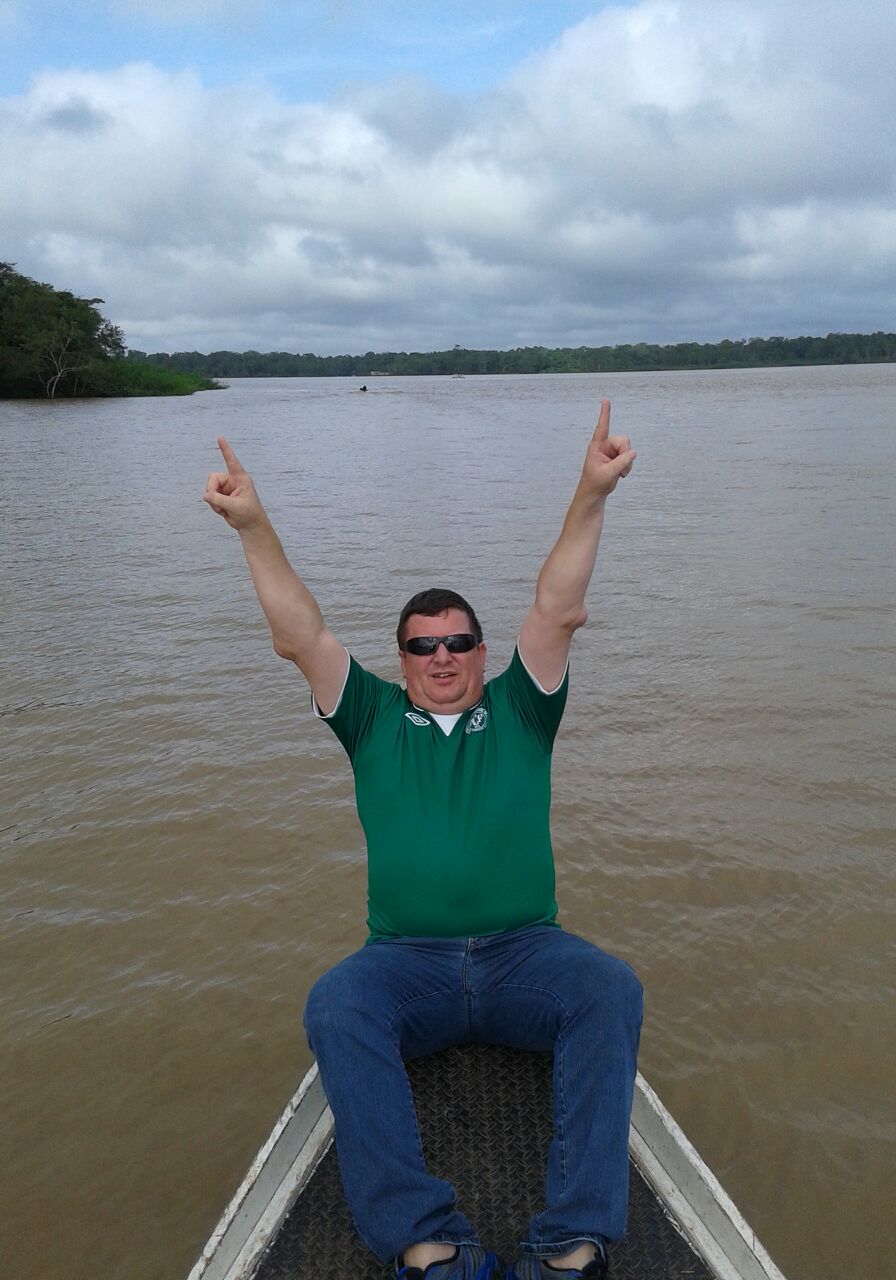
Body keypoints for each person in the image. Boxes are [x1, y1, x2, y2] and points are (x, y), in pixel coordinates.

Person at [203, 402, 644, 1280]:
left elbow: (557, 608)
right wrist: (252, 525)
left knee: (610, 990)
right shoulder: (368, 717)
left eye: (459, 643)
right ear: (399, 659)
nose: (442, 657)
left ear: (483, 653)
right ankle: (431, 1244)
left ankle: (571, 1244)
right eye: (422, 645)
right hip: (404, 964)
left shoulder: (523, 708)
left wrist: (591, 494)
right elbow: (300, 633)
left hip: (529, 957)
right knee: (336, 1006)